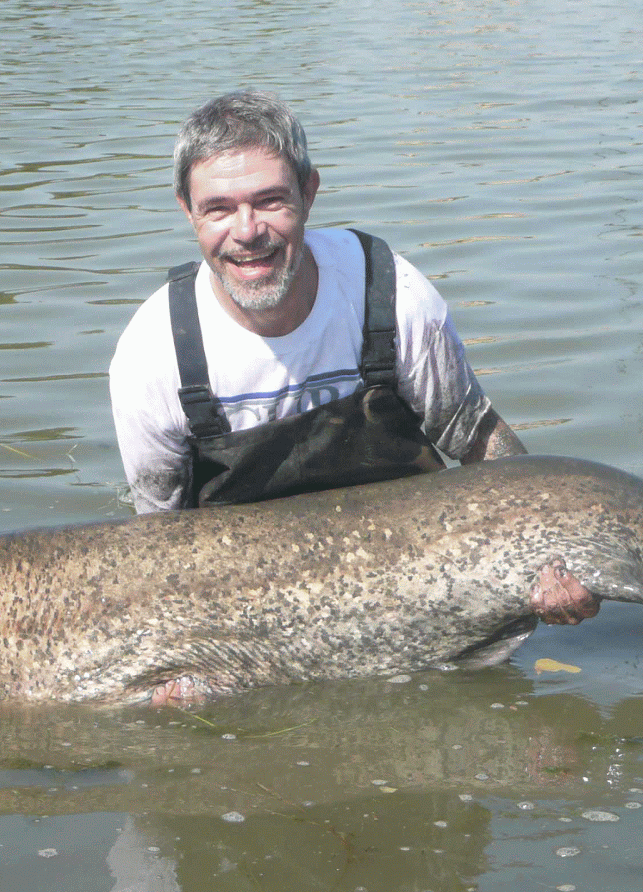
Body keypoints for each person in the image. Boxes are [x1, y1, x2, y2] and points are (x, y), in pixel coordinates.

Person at [109, 92, 596, 624]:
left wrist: (550, 560)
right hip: (250, 610)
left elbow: (480, 444)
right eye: (219, 209)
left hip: (416, 581)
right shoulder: (152, 357)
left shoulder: (391, 295)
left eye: (270, 200)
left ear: (309, 192)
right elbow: (157, 547)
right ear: (187, 210)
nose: (247, 232)